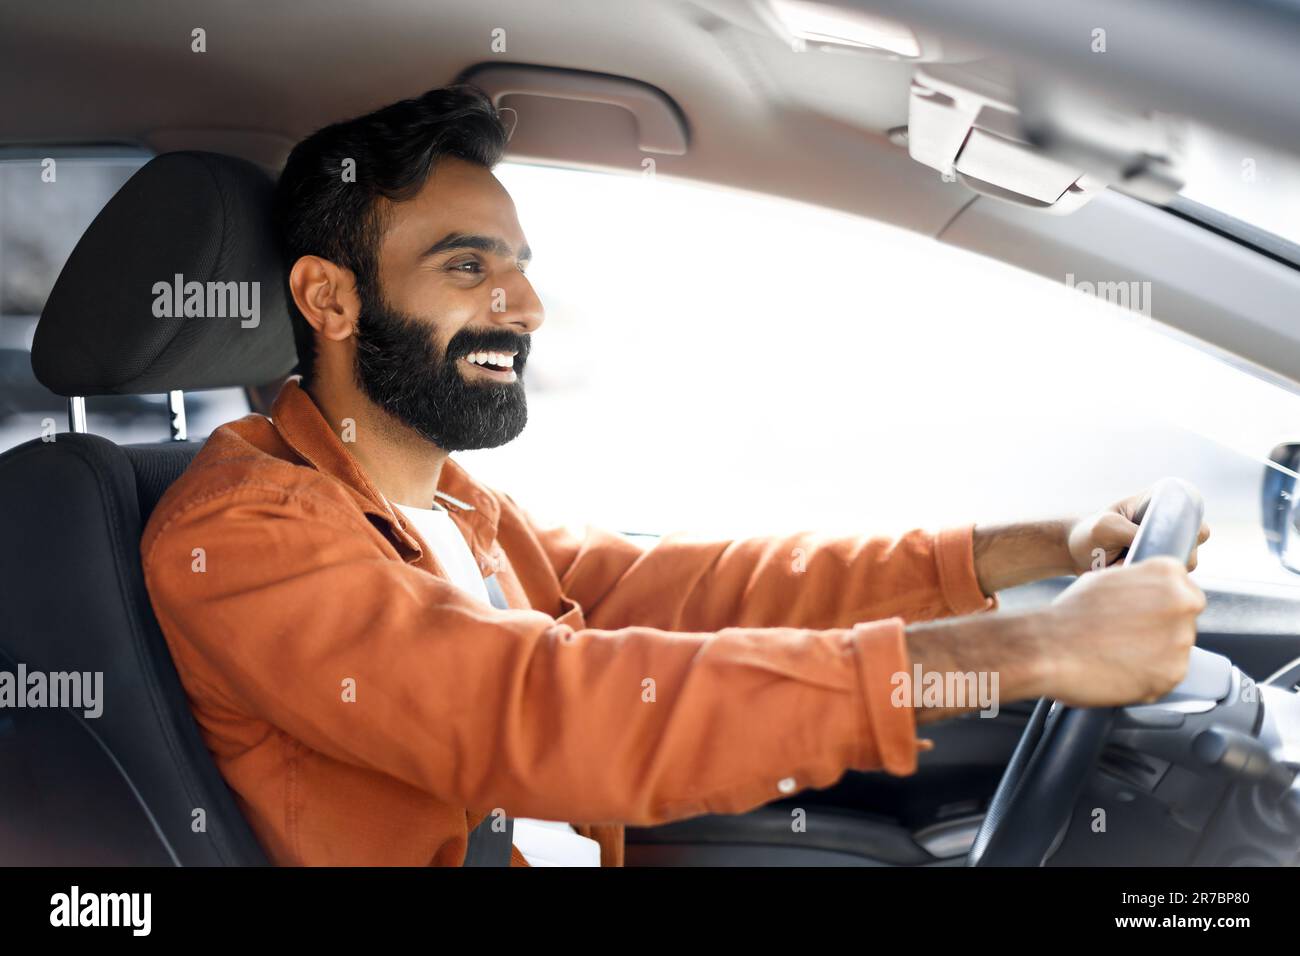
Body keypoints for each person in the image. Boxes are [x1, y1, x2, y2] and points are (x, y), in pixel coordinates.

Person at [142, 84, 1209, 867]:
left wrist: (1028, 551)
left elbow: (693, 592)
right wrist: (1028, 649)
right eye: (468, 266)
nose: (524, 308)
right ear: (328, 302)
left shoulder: (446, 501)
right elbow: (558, 711)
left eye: (520, 268)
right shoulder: (247, 536)